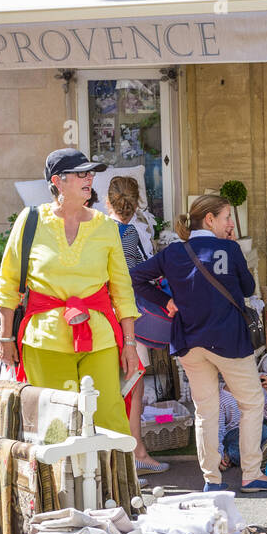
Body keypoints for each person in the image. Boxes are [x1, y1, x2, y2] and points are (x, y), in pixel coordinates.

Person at [130, 194, 267, 492]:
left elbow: (135, 278)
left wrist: (166, 301)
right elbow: (248, 288)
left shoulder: (173, 252)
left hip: (188, 340)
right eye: (227, 217)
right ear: (210, 219)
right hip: (228, 339)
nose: (231, 223)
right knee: (252, 403)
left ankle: (211, 480)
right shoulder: (229, 249)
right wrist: (233, 244)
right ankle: (251, 474)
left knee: (205, 411)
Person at [0, 149, 141, 438]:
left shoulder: (106, 227)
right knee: (54, 426)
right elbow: (8, 283)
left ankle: (108, 484)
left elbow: (122, 289)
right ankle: (58, 485)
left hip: (99, 339)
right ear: (58, 181)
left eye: (91, 173)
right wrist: (5, 337)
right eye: (82, 173)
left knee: (108, 418)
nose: (90, 178)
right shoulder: (30, 220)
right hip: (44, 340)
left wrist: (130, 343)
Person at [107, 175, 169, 474]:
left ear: (108, 201)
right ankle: (136, 451)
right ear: (137, 202)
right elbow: (144, 273)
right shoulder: (130, 233)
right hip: (128, 316)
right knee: (133, 383)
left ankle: (120, 456)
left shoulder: (95, 229)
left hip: (102, 316)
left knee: (111, 385)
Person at [217, 375, 267, 471]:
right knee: (264, 431)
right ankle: (231, 455)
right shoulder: (222, 398)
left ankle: (263, 447)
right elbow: (219, 429)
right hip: (235, 434)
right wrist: (219, 452)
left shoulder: (254, 388)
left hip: (258, 426)